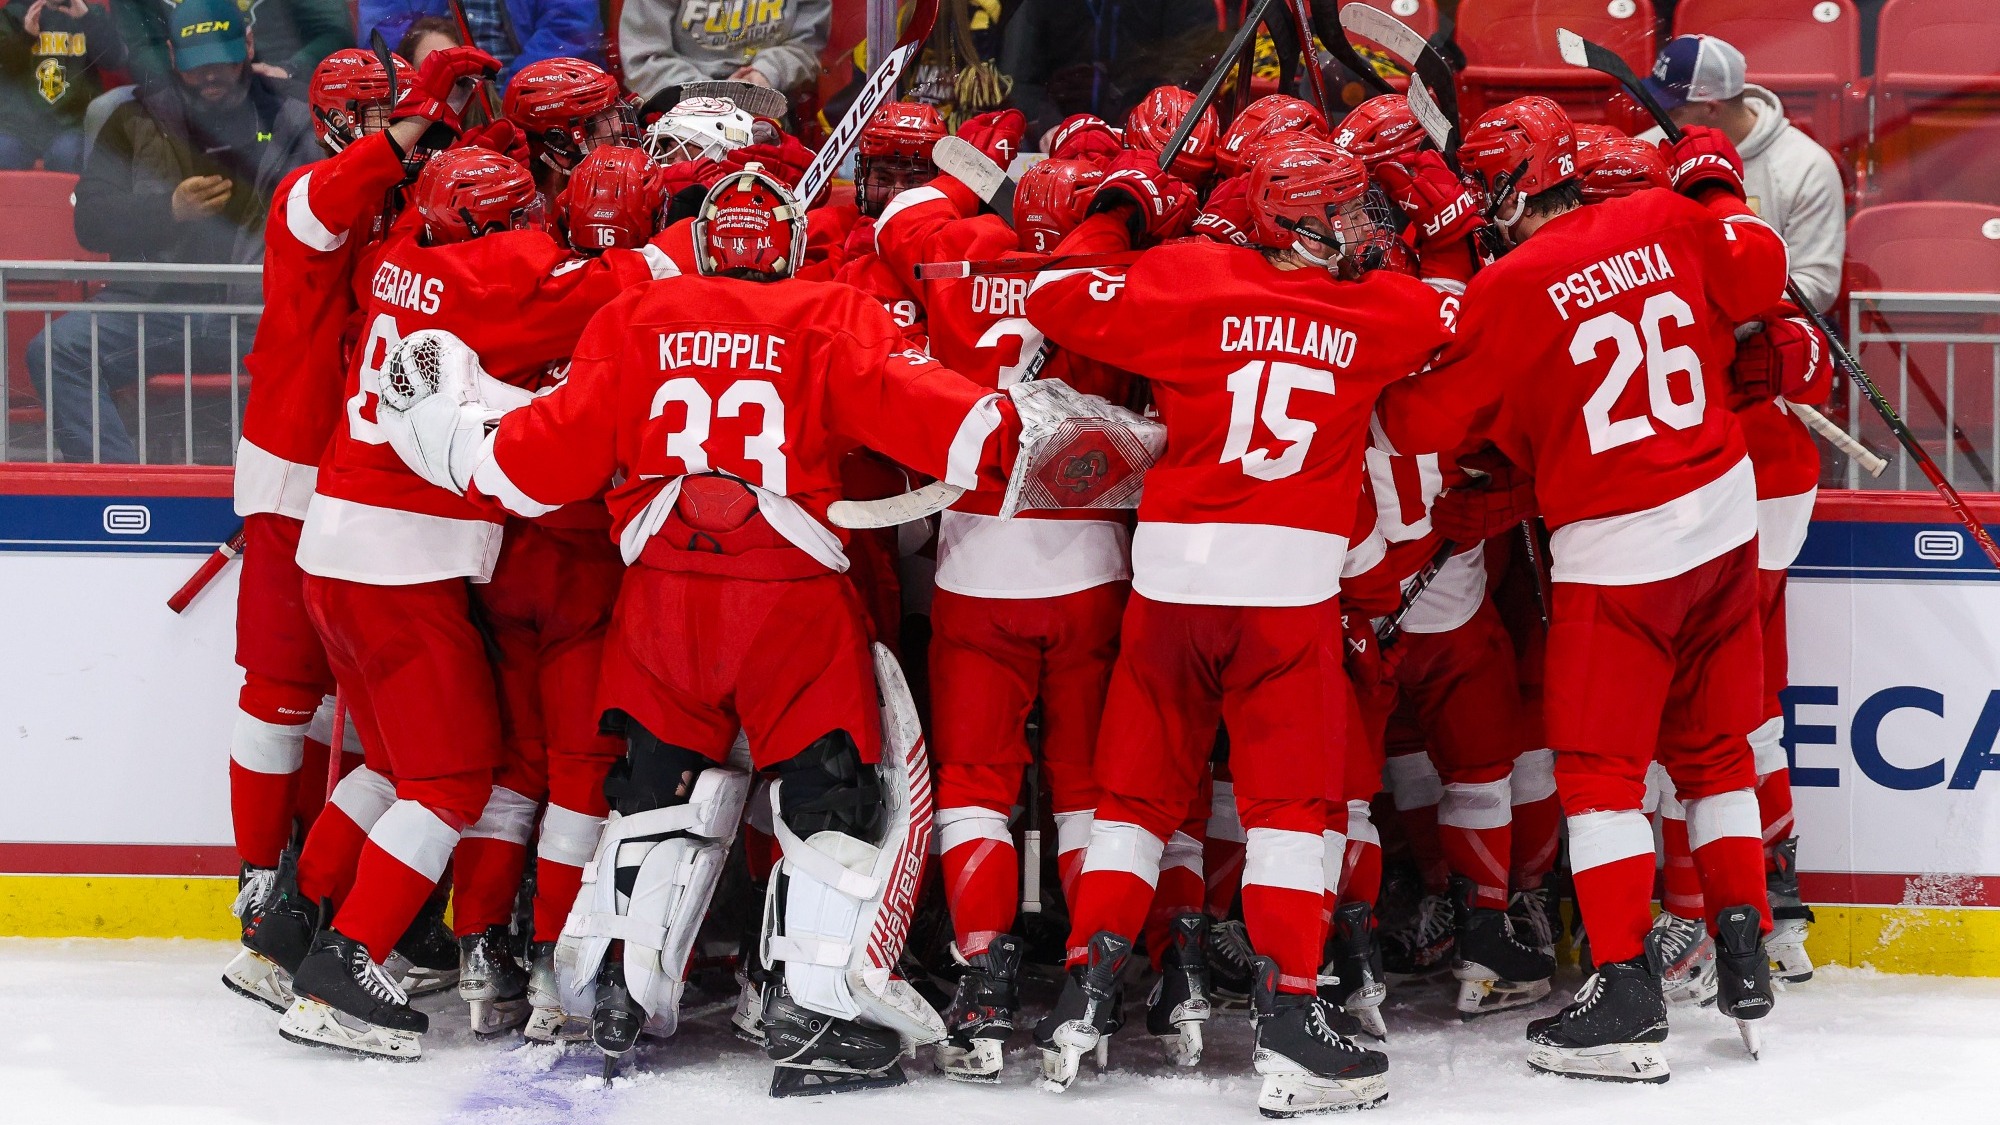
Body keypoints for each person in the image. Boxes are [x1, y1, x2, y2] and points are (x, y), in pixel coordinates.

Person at [368, 163, 1023, 1088]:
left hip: (661, 600)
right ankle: (812, 1014)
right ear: (791, 246)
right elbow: (941, 423)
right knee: (829, 804)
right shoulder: (829, 311)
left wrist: (459, 434)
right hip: (790, 600)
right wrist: (1014, 428)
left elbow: (533, 462)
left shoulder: (635, 318)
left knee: (654, 794)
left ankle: (618, 995)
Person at [1022, 138, 1453, 1114]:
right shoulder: (1381, 312)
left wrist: (1120, 215)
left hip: (1170, 590)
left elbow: (1051, 295)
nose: (1357, 229)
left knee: (1132, 796)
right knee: (1289, 812)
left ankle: (1079, 999)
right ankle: (1291, 1024)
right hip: (1284, 602)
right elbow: (1460, 320)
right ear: (1307, 222)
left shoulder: (1182, 278)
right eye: (1344, 213)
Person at [1371, 96, 1791, 1082]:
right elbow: (1760, 276)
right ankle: (1741, 943)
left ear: (1511, 184)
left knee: (1599, 774)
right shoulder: (1664, 215)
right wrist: (1717, 183)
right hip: (1720, 519)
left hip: (1619, 557)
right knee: (1713, 746)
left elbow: (1423, 424)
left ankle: (1624, 989)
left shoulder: (1509, 283)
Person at [241, 140, 679, 1060]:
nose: (532, 229)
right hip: (401, 570)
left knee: (399, 764)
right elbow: (601, 289)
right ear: (493, 222)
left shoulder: (397, 252)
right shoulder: (497, 273)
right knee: (449, 782)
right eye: (519, 216)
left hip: (336, 550)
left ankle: (287, 934)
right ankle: (344, 971)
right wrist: (693, 238)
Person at [872, 153, 1138, 1083]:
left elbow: (899, 213)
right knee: (1084, 785)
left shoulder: (960, 258)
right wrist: (1121, 203)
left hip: (975, 563)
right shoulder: (1113, 277)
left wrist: (970, 174)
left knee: (978, 782)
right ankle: (1085, 981)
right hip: (1093, 565)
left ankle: (982, 976)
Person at [221, 43, 472, 1015]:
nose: (377, 127)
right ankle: (259, 875)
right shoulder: (304, 194)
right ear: (327, 116)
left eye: (385, 109)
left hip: (373, 492)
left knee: (388, 725)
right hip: (294, 481)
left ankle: (358, 910)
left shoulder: (405, 206)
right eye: (361, 110)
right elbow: (330, 205)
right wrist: (411, 116)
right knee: (280, 694)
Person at [28, 0, 317, 463]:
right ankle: (117, 490)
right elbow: (91, 224)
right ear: (171, 54)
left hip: (259, 311)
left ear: (246, 44)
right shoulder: (133, 117)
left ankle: (284, 498)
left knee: (340, 345)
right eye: (195, 65)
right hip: (152, 309)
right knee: (56, 350)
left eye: (220, 62)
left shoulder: (295, 116)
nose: (209, 76)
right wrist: (168, 209)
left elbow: (331, 216)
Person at [1641, 33, 1845, 312]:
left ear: (1711, 108)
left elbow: (1816, 283)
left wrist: (1725, 315)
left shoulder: (1806, 167)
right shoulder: (1648, 149)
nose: (1657, 118)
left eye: (1670, 111)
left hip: (1757, 331)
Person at [617, 0, 828, 105]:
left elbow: (808, 44)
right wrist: (710, 96)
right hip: (680, 111)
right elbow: (643, 60)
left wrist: (767, 72)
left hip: (770, 102)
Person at [359, 0, 604, 90]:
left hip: (526, 97)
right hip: (433, 99)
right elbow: (382, 33)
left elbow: (570, 29)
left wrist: (517, 94)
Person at [109, 0, 354, 87]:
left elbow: (335, 31)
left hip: (276, 79)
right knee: (105, 108)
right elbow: (139, 48)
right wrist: (181, 80)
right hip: (182, 84)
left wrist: (291, 70)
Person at [0, 0, 125, 171]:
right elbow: (5, 66)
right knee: (4, 152)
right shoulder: (13, 12)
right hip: (19, 127)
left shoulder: (92, 13)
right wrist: (26, 37)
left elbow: (116, 60)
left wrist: (86, 19)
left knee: (69, 154)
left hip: (71, 127)